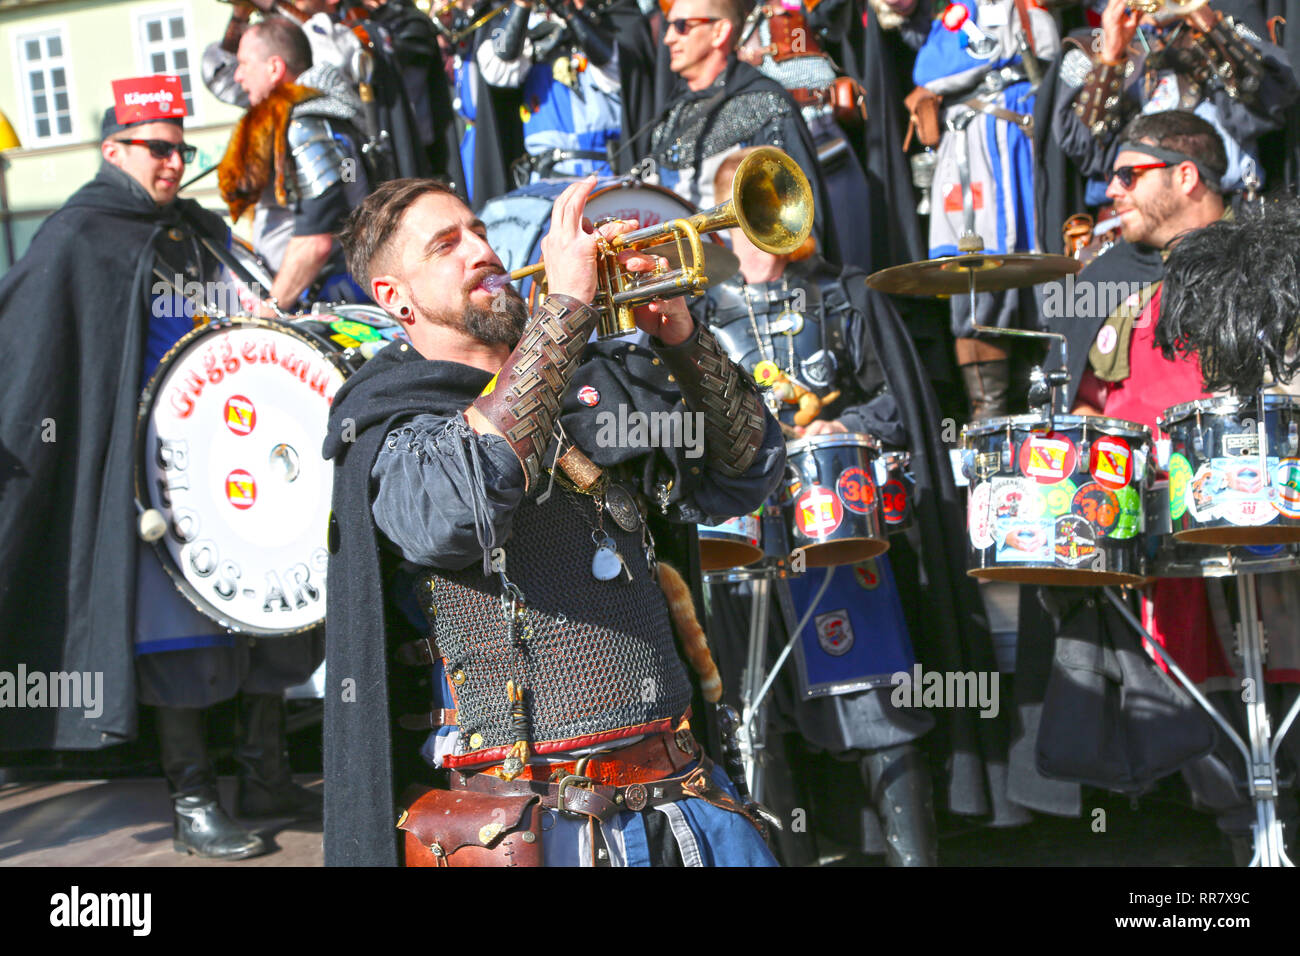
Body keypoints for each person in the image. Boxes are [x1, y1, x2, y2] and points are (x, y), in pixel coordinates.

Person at [322, 175, 789, 866]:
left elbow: (747, 474)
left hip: (687, 795)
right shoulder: (390, 421)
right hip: (532, 826)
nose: (480, 250)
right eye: (446, 245)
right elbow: (460, 511)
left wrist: (685, 341)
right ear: (396, 298)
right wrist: (565, 310)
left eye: (477, 231)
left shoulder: (594, 379)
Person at [0, 78, 322, 862]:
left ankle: (266, 773)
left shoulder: (198, 227)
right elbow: (32, 352)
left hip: (227, 455)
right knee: (176, 639)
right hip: (147, 472)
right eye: (159, 148)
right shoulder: (78, 234)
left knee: (261, 616)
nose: (176, 162)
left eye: (183, 148)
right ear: (114, 150)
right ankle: (193, 802)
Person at [1026, 110, 1297, 853]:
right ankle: (1248, 843)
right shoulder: (1104, 277)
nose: (1109, 190)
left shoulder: (1267, 258)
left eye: (1129, 174)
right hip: (1152, 531)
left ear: (1187, 176)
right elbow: (1075, 405)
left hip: (1265, 514)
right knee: (1203, 724)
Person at [908, 0, 1060, 422]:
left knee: (1049, 288)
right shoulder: (963, 15)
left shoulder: (1033, 14)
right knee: (980, 280)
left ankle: (1053, 416)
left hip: (1030, 153)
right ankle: (988, 421)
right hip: (978, 156)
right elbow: (931, 71)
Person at [646, 0, 836, 254]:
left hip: (745, 282)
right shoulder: (673, 112)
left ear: (719, 32)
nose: (668, 38)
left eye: (682, 26)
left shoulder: (766, 105)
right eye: (669, 26)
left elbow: (798, 232)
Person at [217, 16, 370, 314]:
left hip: (332, 298)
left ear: (274, 68)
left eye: (244, 64)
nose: (237, 76)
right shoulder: (323, 115)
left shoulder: (305, 126)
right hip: (329, 291)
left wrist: (272, 310)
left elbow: (316, 241)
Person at [476, 0, 657, 184]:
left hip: (607, 172)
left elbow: (620, 70)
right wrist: (522, 6)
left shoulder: (612, 12)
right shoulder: (506, 16)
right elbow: (497, 67)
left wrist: (570, 13)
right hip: (546, 176)